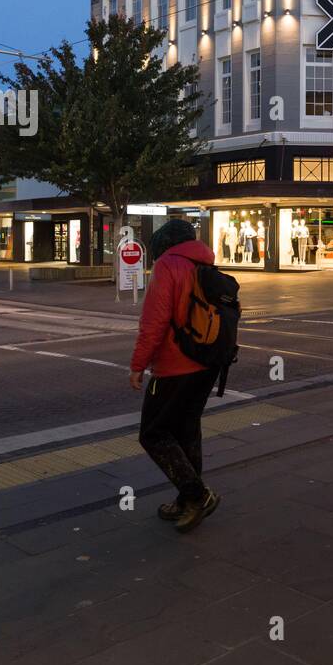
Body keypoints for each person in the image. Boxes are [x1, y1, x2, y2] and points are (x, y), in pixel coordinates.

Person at [128, 219, 222, 532]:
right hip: (207, 364)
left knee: (152, 433)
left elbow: (154, 323)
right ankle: (187, 502)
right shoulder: (206, 263)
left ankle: (198, 494)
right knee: (186, 431)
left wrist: (138, 365)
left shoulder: (168, 266)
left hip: (174, 365)